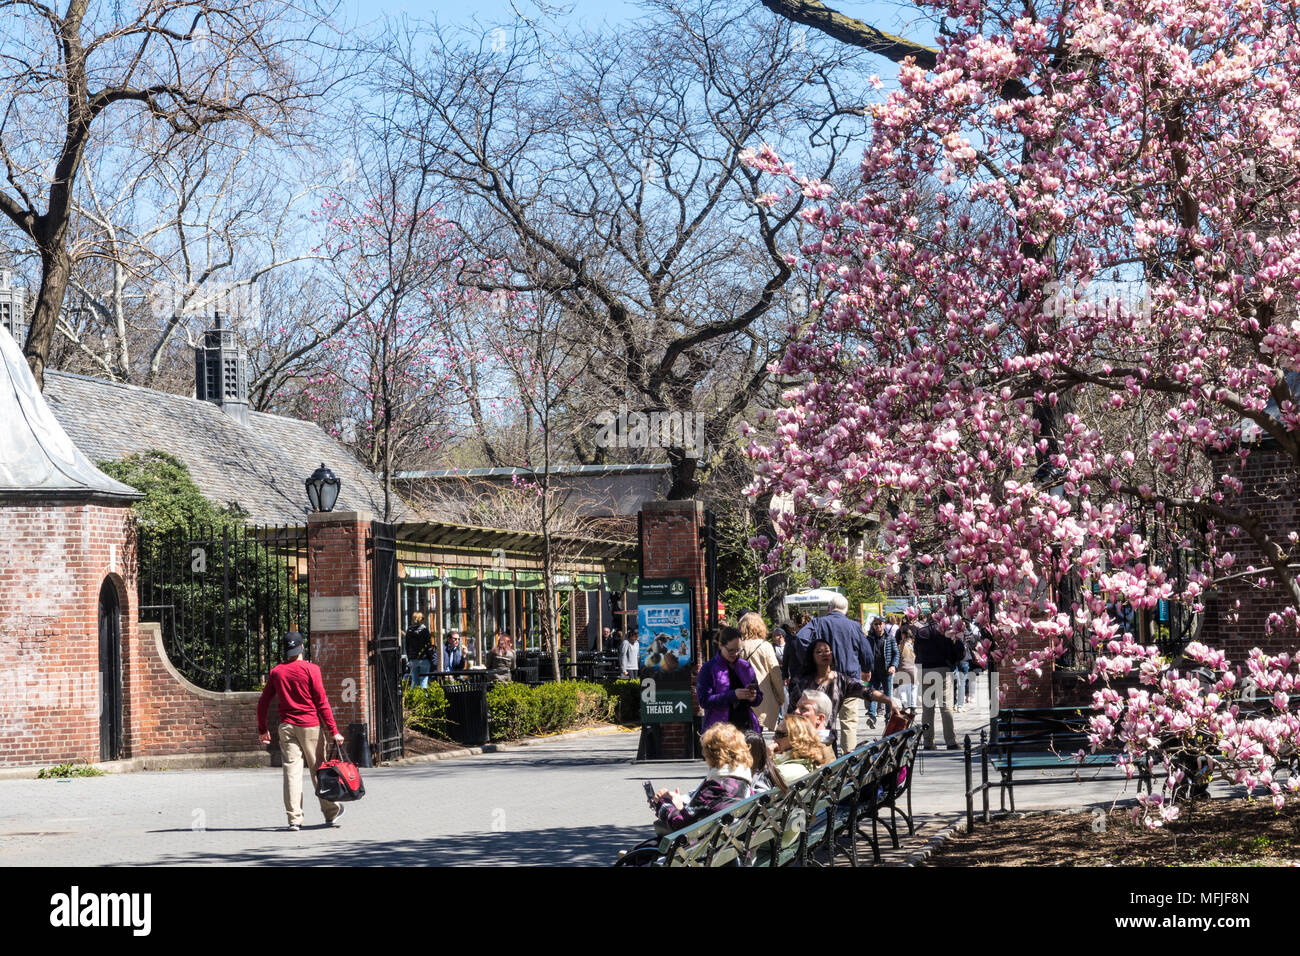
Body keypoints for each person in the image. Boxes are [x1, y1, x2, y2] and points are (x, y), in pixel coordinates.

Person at [256, 631, 346, 831]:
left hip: (287, 727)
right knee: (319, 770)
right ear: (302, 647)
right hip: (310, 726)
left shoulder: (277, 672)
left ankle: (294, 819)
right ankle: (330, 813)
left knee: (291, 773)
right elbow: (322, 702)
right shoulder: (311, 670)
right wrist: (333, 731)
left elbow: (263, 703)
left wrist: (263, 729)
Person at [793, 594, 874, 754]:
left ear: (829, 608)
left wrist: (811, 659)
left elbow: (801, 639)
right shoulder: (854, 626)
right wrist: (866, 669)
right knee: (849, 721)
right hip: (849, 679)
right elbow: (867, 652)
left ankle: (825, 757)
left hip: (825, 678)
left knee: (823, 719)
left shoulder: (817, 623)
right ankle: (847, 758)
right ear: (846, 610)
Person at [787, 635, 893, 754]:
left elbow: (866, 692)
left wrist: (889, 701)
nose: (824, 654)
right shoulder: (803, 682)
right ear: (812, 656)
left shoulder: (841, 680)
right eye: (819, 652)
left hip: (827, 740)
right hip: (804, 740)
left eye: (827, 651)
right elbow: (791, 713)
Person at [651, 723, 753, 832]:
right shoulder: (743, 781)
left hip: (708, 845)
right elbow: (701, 808)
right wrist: (680, 804)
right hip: (731, 841)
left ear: (711, 754)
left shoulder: (718, 786)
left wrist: (663, 802)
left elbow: (679, 822)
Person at [696, 625, 763, 734]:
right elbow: (704, 701)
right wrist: (733, 695)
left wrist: (754, 697)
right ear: (721, 645)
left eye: (738, 650)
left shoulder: (745, 666)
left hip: (746, 727)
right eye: (731, 650)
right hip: (719, 729)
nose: (735, 654)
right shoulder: (708, 668)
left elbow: (759, 697)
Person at [915, 613, 964, 749]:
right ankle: (950, 741)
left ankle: (928, 742)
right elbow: (958, 652)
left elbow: (916, 650)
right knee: (946, 707)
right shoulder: (946, 632)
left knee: (927, 709)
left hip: (925, 670)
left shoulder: (921, 632)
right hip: (942, 669)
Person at [738, 612, 785, 732]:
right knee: (757, 733)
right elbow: (775, 674)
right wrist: (780, 696)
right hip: (762, 696)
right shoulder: (766, 646)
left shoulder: (738, 646)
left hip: (741, 695)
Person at [771, 713, 827, 784]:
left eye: (778, 734)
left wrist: (765, 760)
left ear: (794, 739)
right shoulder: (811, 763)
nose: (773, 738)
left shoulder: (784, 771)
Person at [866, 616, 899, 729]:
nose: (878, 626)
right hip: (873, 671)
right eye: (876, 624)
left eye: (880, 624)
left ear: (884, 624)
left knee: (888, 694)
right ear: (873, 626)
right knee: (872, 693)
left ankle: (888, 717)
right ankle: (872, 716)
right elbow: (865, 654)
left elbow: (896, 653)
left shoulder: (890, 638)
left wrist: (893, 665)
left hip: (886, 671)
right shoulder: (869, 639)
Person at [791, 690, 837, 765]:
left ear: (820, 718)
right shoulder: (813, 742)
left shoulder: (817, 751)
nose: (796, 711)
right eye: (797, 707)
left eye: (803, 709)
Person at [896, 623, 919, 709]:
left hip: (902, 668)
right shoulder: (914, 645)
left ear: (903, 635)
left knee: (902, 688)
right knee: (914, 687)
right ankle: (913, 706)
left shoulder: (900, 646)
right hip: (913, 668)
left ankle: (904, 704)